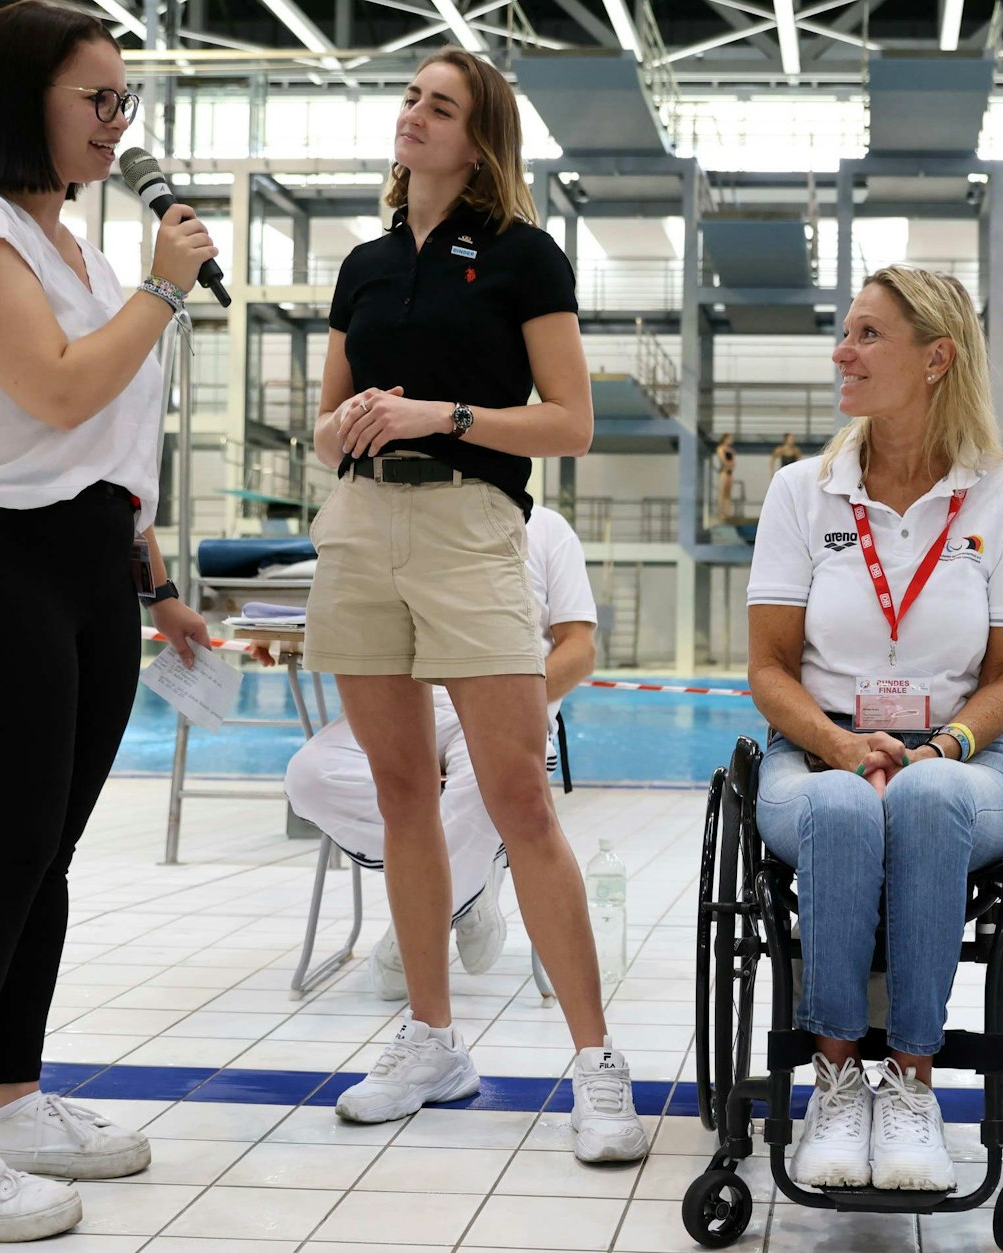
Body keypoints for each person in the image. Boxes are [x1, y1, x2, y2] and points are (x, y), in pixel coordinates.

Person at [0, 2, 216, 1240]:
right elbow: (57, 388)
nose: (119, 124)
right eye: (99, 99)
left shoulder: (84, 259)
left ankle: (9, 1097)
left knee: (48, 850)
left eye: (127, 101)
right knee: (0, 850)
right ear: (27, 98)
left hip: (83, 558)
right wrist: (167, 294)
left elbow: (113, 447)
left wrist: (154, 576)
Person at [304, 46, 648, 1164]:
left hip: (468, 528)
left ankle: (596, 1063)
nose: (412, 115)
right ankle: (431, 1036)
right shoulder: (359, 264)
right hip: (359, 528)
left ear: (478, 138)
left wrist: (438, 414)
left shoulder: (520, 257)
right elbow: (318, 426)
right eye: (407, 97)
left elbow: (570, 421)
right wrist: (353, 423)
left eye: (438, 105)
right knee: (404, 791)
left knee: (515, 797)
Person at [745, 265, 1003, 1191]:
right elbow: (767, 667)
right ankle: (836, 1082)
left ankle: (912, 1083)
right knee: (839, 809)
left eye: (868, 335)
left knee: (923, 796)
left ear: (936, 359)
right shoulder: (804, 491)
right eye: (845, 333)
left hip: (959, 750)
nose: (843, 352)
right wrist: (839, 746)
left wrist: (939, 747)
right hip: (816, 741)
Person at [285, 503, 597, 997]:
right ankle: (470, 892)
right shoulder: (387, 518)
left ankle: (416, 925)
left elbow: (580, 647)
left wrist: (512, 706)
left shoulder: (548, 529)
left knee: (487, 787)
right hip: (404, 702)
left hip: (503, 701)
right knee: (308, 777)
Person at [716, 431, 739, 520]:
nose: (731, 440)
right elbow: (723, 461)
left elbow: (734, 463)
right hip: (724, 472)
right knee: (722, 493)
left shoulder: (730, 450)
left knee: (728, 494)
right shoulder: (720, 448)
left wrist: (730, 464)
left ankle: (727, 512)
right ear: (725, 438)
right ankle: (720, 512)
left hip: (730, 473)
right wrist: (729, 464)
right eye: (729, 438)